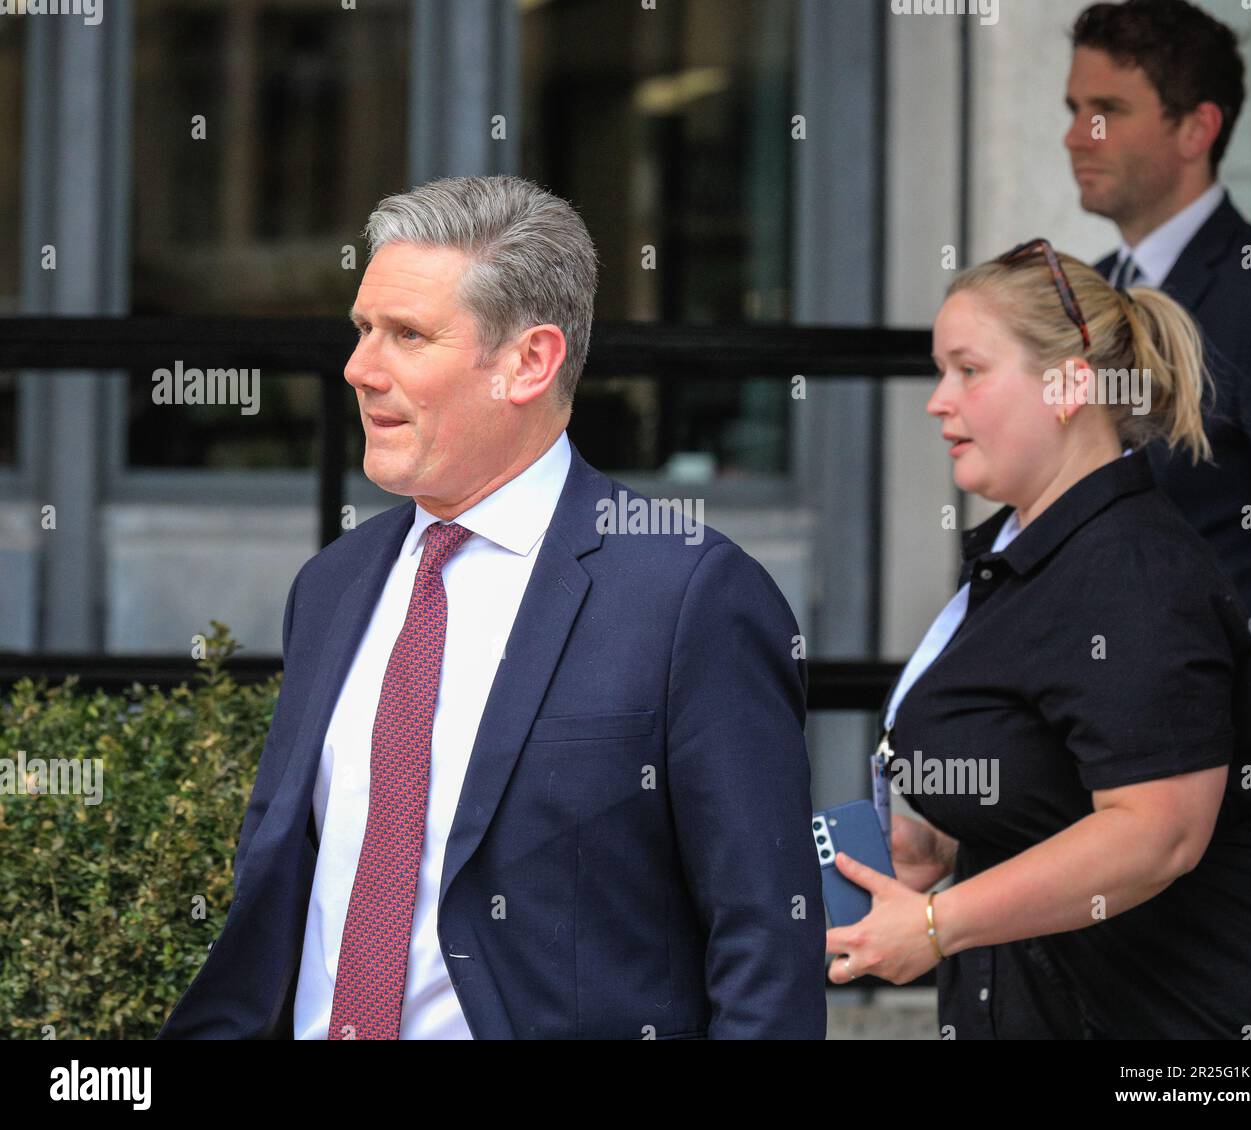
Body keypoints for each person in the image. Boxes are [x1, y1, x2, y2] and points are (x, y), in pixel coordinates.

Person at [158, 175, 826, 1040]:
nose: (361, 369)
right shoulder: (332, 586)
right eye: (363, 331)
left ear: (529, 362)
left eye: (407, 335)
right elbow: (284, 891)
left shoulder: (689, 596)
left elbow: (768, 943)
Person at [825, 239, 1251, 1039]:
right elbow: (1056, 774)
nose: (938, 402)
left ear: (1070, 383)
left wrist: (940, 923)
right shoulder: (1029, 552)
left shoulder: (1135, 573)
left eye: (969, 370)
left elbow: (1156, 832)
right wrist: (946, 835)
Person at [1064, 0, 1251, 853]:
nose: (1076, 136)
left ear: (1198, 127)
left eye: (1108, 111)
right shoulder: (1077, 297)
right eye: (1070, 110)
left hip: (1241, 814)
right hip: (1097, 780)